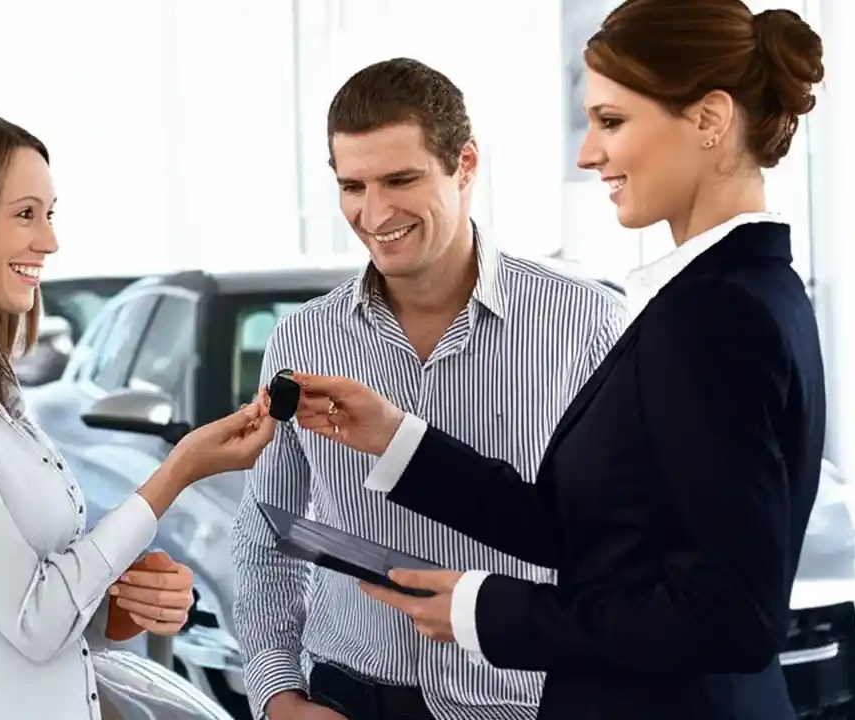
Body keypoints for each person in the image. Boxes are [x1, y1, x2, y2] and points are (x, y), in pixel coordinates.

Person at [290, 2, 827, 719]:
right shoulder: (731, 292)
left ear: (709, 119)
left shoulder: (714, 314)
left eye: (612, 121)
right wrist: (396, 438)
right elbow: (587, 531)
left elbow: (728, 617)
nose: (587, 154)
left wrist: (486, 612)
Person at [0, 108, 276, 720]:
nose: (48, 241)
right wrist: (177, 473)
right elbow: (35, 621)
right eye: (25, 214)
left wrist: (130, 603)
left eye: (49, 214)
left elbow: (58, 622)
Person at [231, 58, 629, 720]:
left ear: (465, 164)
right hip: (349, 697)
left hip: (522, 703)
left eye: (400, 179)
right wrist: (278, 696)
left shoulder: (586, 324)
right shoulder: (302, 338)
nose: (373, 212)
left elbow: (620, 549)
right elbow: (266, 534)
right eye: (352, 185)